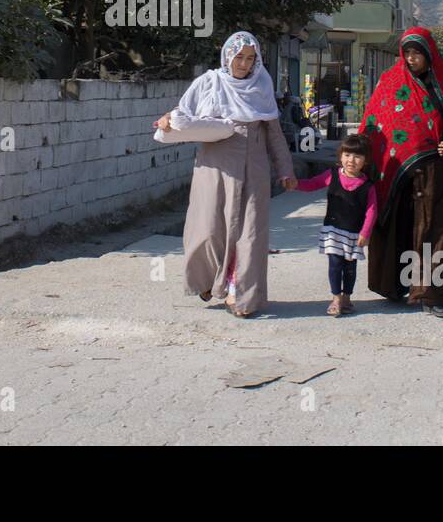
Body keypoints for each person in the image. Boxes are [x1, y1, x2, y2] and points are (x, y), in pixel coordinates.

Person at [155, 31, 295, 318]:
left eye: (250, 58)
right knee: (207, 228)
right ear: (227, 56)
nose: (244, 64)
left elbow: (275, 133)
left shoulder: (262, 86)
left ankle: (242, 297)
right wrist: (168, 120)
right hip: (214, 166)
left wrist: (285, 170)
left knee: (250, 234)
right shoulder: (209, 82)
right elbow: (184, 113)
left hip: (254, 168)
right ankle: (207, 281)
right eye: (239, 57)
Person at [357, 27, 443, 318]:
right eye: (407, 53)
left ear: (429, 53)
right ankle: (396, 286)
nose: (412, 59)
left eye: (417, 53)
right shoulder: (390, 80)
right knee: (399, 227)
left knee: (436, 231)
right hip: (397, 172)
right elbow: (374, 120)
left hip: (438, 169)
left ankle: (434, 296)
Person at [290, 134, 378, 317]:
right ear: (341, 156)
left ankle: (347, 298)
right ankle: (336, 298)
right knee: (335, 264)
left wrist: (365, 233)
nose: (351, 160)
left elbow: (371, 212)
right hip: (333, 231)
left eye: (357, 156)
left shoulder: (367, 186)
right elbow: (312, 184)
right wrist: (295, 184)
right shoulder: (332, 176)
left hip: (354, 234)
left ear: (365, 160)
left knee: (350, 267)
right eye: (347, 155)